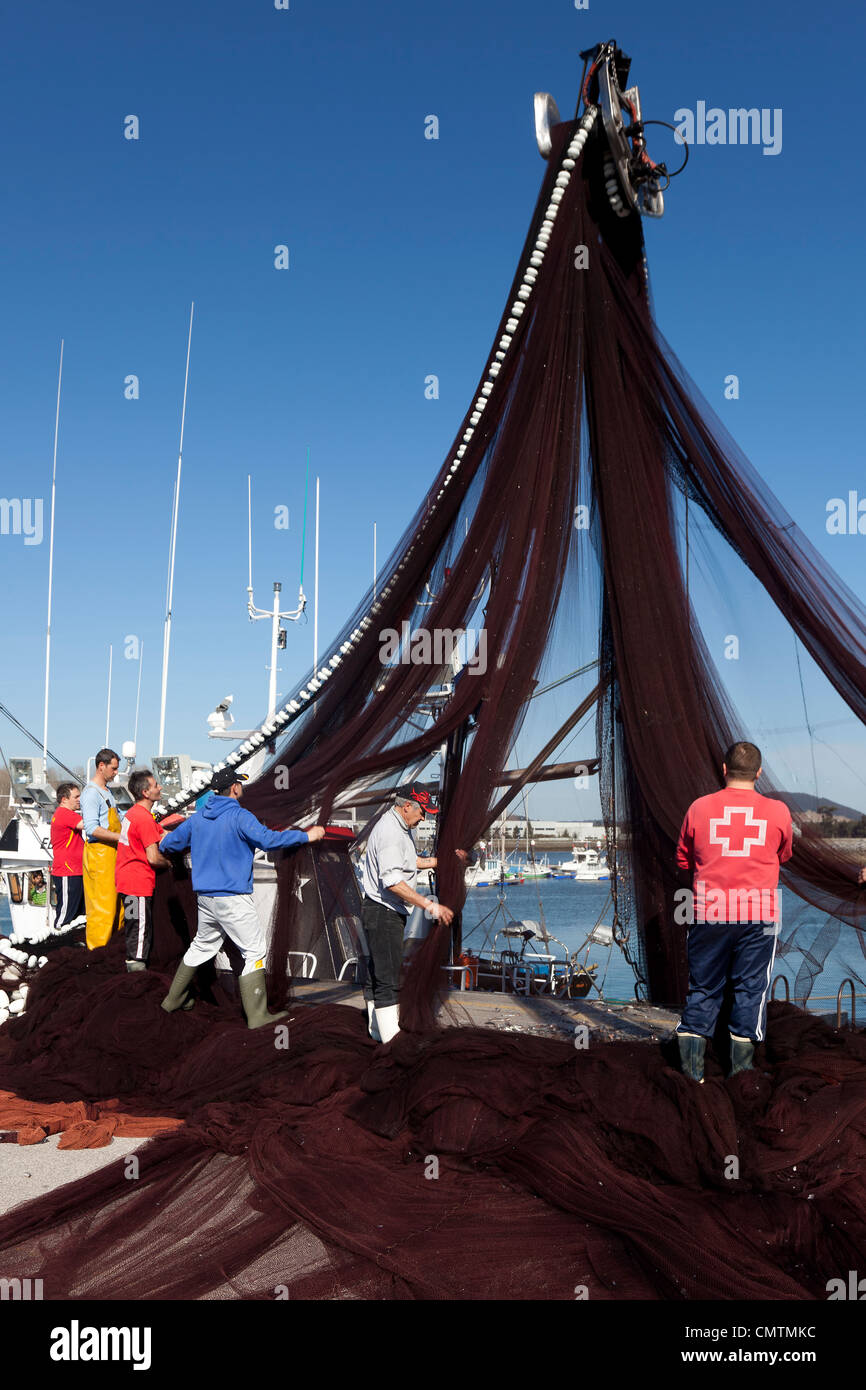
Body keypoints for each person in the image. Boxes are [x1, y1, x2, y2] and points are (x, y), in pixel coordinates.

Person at [158, 769, 325, 1028]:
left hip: (205, 898)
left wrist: (176, 843)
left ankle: (172, 1001)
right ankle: (258, 1016)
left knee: (201, 946)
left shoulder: (198, 817)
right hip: (233, 898)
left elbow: (168, 845)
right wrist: (306, 836)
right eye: (240, 783)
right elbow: (270, 840)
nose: (242, 787)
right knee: (255, 951)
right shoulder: (239, 815)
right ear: (234, 788)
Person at [675, 741, 793, 1083]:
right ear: (759, 773)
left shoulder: (698, 808)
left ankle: (691, 1077)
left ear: (724, 770)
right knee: (750, 989)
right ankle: (742, 1074)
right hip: (759, 918)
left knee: (703, 988)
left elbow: (683, 859)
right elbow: (784, 854)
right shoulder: (779, 811)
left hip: (707, 912)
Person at [360, 783, 455, 1043]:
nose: (424, 818)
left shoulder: (399, 826)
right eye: (423, 812)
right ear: (407, 807)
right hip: (384, 911)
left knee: (378, 972)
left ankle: (376, 1030)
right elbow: (391, 881)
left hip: (381, 909)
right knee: (389, 976)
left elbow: (409, 861)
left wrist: (443, 861)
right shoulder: (391, 832)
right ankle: (391, 1040)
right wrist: (430, 905)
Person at [115, 769, 171, 972]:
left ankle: (133, 965)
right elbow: (153, 857)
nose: (160, 787)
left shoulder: (133, 814)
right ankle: (136, 973)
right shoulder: (144, 819)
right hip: (138, 885)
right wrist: (169, 864)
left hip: (126, 883)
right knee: (139, 930)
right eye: (156, 785)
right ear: (146, 792)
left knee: (132, 925)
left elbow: (162, 833)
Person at [80, 748, 124, 950]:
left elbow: (121, 819)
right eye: (114, 769)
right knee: (102, 909)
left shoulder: (107, 792)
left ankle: (112, 952)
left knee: (117, 907)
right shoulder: (90, 794)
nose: (116, 772)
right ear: (101, 766)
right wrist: (122, 838)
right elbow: (91, 828)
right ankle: (96, 955)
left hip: (112, 855)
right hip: (99, 856)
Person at [50, 782, 86, 931]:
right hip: (68, 871)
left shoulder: (66, 814)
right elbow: (88, 825)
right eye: (76, 797)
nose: (79, 800)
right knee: (64, 917)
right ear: (64, 799)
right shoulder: (65, 814)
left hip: (76, 871)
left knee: (78, 916)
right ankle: (56, 945)